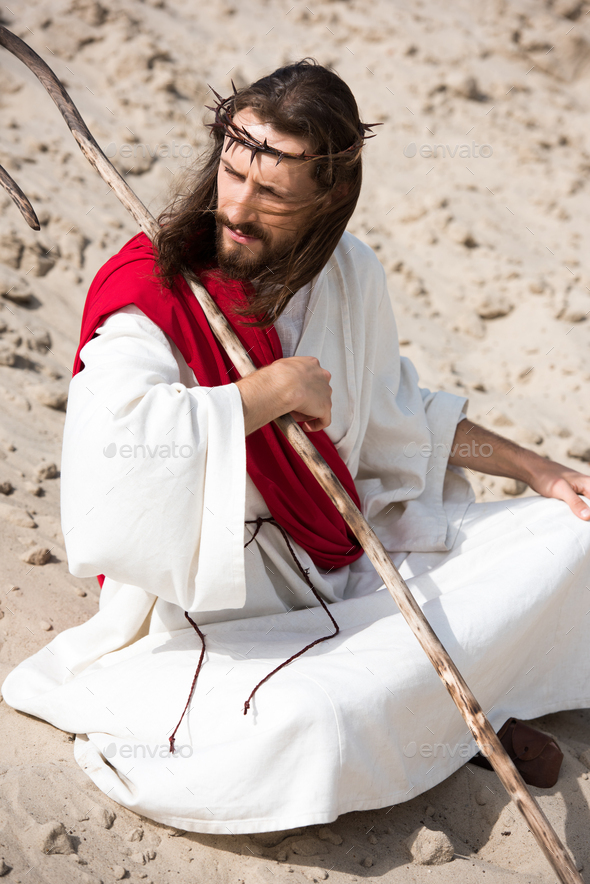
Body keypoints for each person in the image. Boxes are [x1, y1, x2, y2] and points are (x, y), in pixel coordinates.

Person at [2, 59, 590, 836]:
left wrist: (541, 470)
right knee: (314, 725)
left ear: (328, 199)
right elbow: (120, 439)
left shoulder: (350, 275)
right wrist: (266, 395)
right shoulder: (154, 289)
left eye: (271, 193)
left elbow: (399, 413)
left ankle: (447, 711)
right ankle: (457, 713)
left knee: (574, 534)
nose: (237, 206)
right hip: (224, 611)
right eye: (232, 173)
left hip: (350, 560)